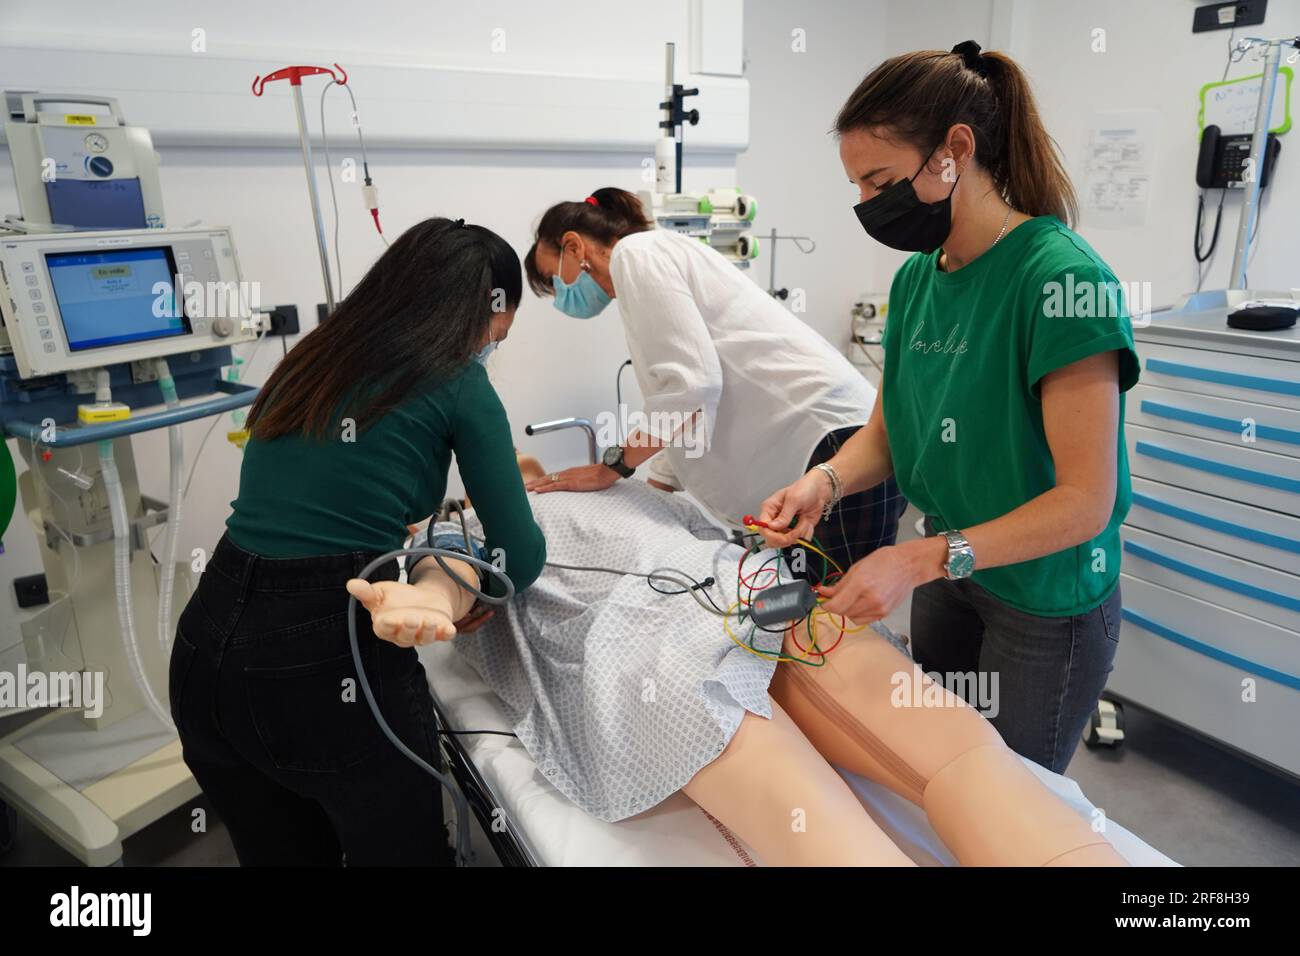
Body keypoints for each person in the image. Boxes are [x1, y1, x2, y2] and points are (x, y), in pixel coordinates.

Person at [351, 468, 1128, 867]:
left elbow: (724, 534)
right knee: (830, 836)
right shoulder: (479, 523)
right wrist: (431, 598)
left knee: (964, 757)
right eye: (519, 467)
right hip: (648, 655)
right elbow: (457, 572)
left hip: (759, 592)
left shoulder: (628, 489)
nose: (536, 472)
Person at [756, 41, 1140, 774]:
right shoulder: (916, 282)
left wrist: (918, 558)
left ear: (954, 150)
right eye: (857, 187)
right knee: (939, 766)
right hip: (953, 576)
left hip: (1043, 596)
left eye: (879, 181)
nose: (868, 205)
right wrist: (824, 483)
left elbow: (1086, 503)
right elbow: (888, 435)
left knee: (1011, 795)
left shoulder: (1063, 282)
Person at [169, 217, 546, 866]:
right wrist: (460, 577)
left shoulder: (315, 357)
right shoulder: (460, 383)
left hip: (206, 643)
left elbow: (324, 498)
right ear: (482, 315)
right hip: (322, 656)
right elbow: (521, 558)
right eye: (496, 336)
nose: (490, 351)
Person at [520, 187, 907, 578]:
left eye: (554, 279)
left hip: (834, 443)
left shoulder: (636, 255)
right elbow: (686, 402)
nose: (561, 296)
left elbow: (692, 389)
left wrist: (610, 468)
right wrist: (655, 490)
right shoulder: (649, 259)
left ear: (574, 247)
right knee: (810, 606)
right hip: (821, 442)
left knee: (836, 607)